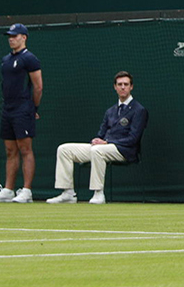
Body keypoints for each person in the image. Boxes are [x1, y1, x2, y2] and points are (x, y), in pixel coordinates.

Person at [46, 71, 148, 204]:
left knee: (97, 151)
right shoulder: (110, 111)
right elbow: (101, 134)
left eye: (126, 84)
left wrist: (106, 142)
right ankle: (68, 193)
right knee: (64, 149)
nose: (123, 87)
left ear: (131, 87)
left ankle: (98, 193)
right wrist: (97, 140)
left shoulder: (139, 110)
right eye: (120, 84)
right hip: (103, 148)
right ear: (115, 87)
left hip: (124, 151)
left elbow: (133, 139)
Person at [0, 24, 44, 203]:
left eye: (15, 36)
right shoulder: (5, 60)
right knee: (10, 150)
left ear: (24, 37)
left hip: (23, 108)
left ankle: (26, 191)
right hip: (7, 109)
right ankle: (9, 189)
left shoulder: (30, 59)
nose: (11, 39)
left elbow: (38, 86)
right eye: (9, 36)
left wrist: (33, 108)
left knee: (25, 149)